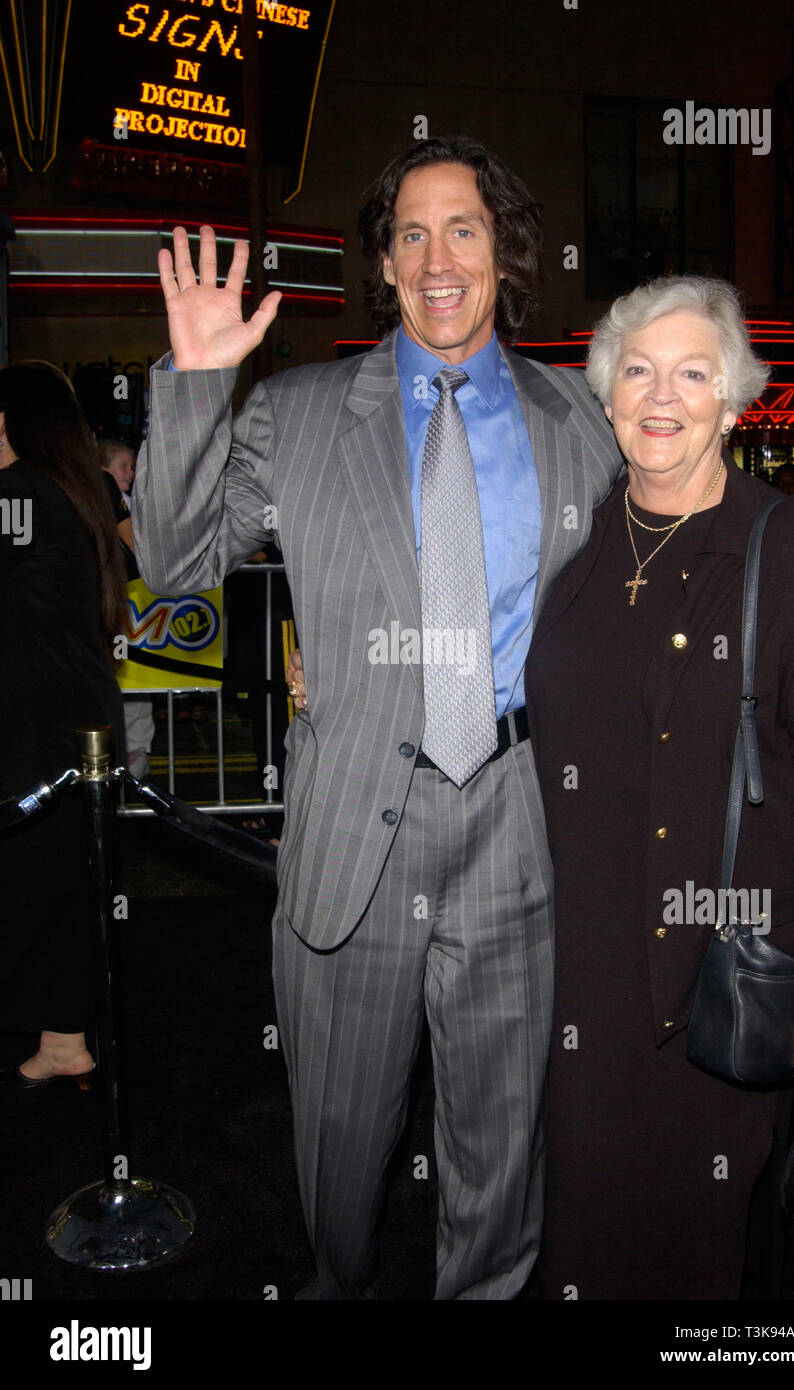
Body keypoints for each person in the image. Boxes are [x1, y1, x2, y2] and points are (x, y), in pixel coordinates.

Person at [132, 135, 623, 1299]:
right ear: (384, 266)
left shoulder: (580, 425)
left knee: (500, 1158)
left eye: (463, 228)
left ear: (504, 251)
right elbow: (174, 563)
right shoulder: (298, 415)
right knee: (338, 1154)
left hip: (518, 831)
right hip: (354, 826)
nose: (436, 256)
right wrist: (196, 383)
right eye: (409, 234)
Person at [524, 275, 794, 1300]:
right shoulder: (576, 545)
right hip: (578, 979)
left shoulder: (789, 546)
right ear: (607, 394)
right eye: (637, 370)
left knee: (697, 1251)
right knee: (583, 1236)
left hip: (718, 973)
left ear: (733, 398)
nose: (660, 395)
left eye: (691, 372)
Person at [0, 363, 126, 1087]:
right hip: (72, 720)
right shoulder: (75, 491)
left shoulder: (19, 495)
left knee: (28, 883)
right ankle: (62, 1039)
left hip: (33, 727)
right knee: (61, 887)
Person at [97, 439, 155, 780]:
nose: (131, 474)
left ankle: (129, 757)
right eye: (125, 466)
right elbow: (134, 541)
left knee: (133, 678)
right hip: (109, 601)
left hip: (117, 601)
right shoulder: (99, 484)